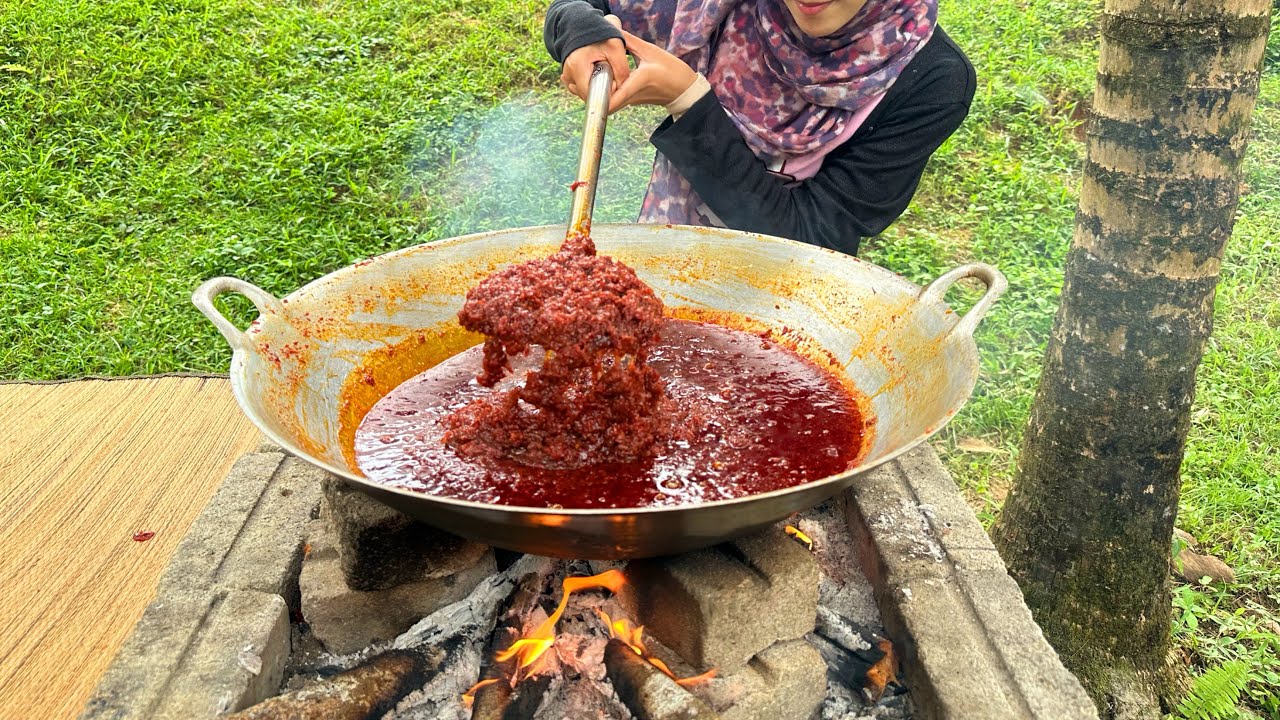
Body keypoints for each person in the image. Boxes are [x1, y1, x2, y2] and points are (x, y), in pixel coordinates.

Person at [544, 0, 974, 256]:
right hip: (668, 259)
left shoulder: (933, 79)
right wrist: (580, 31)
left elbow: (811, 239)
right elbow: (581, 4)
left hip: (784, 302)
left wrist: (689, 101)